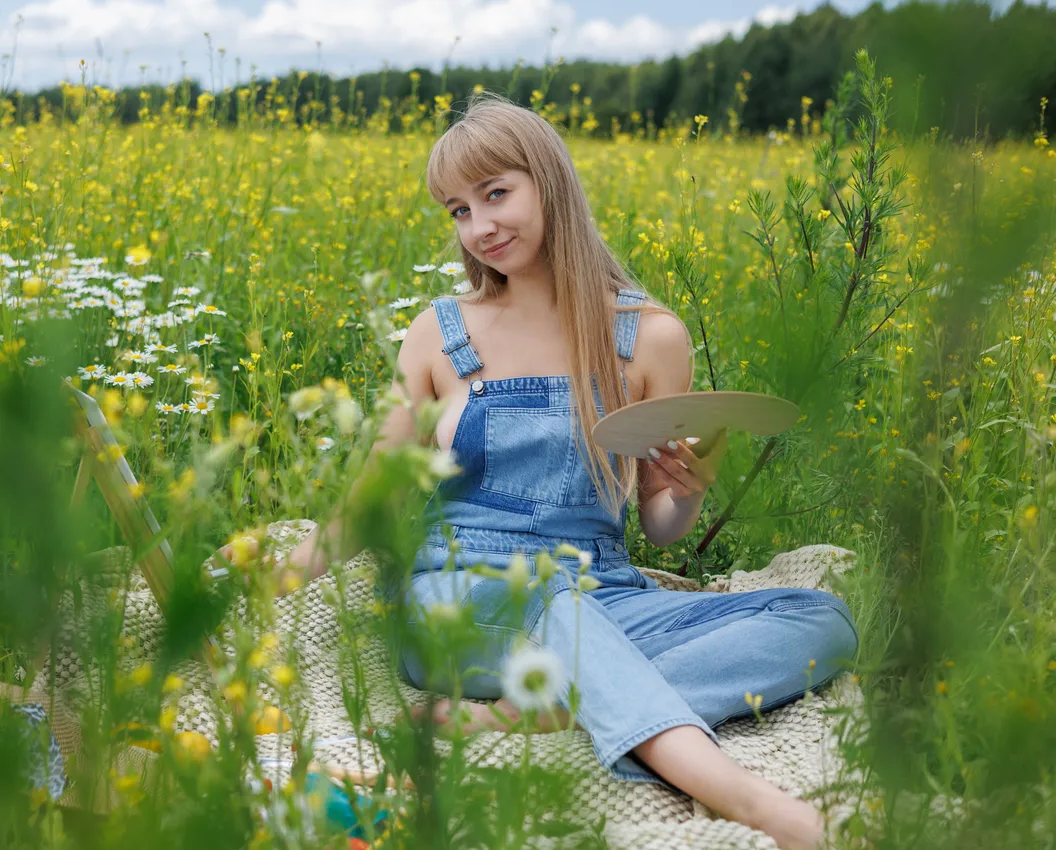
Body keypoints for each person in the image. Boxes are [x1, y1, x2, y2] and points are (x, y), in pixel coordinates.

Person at [254, 93, 858, 850]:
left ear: (551, 183)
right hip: (458, 598)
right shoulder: (438, 335)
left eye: (496, 194)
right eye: (458, 210)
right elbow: (371, 498)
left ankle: (535, 707)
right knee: (546, 598)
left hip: (599, 593)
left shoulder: (650, 337)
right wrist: (263, 579)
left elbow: (659, 529)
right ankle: (750, 801)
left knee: (820, 620)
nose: (479, 227)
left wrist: (688, 489)